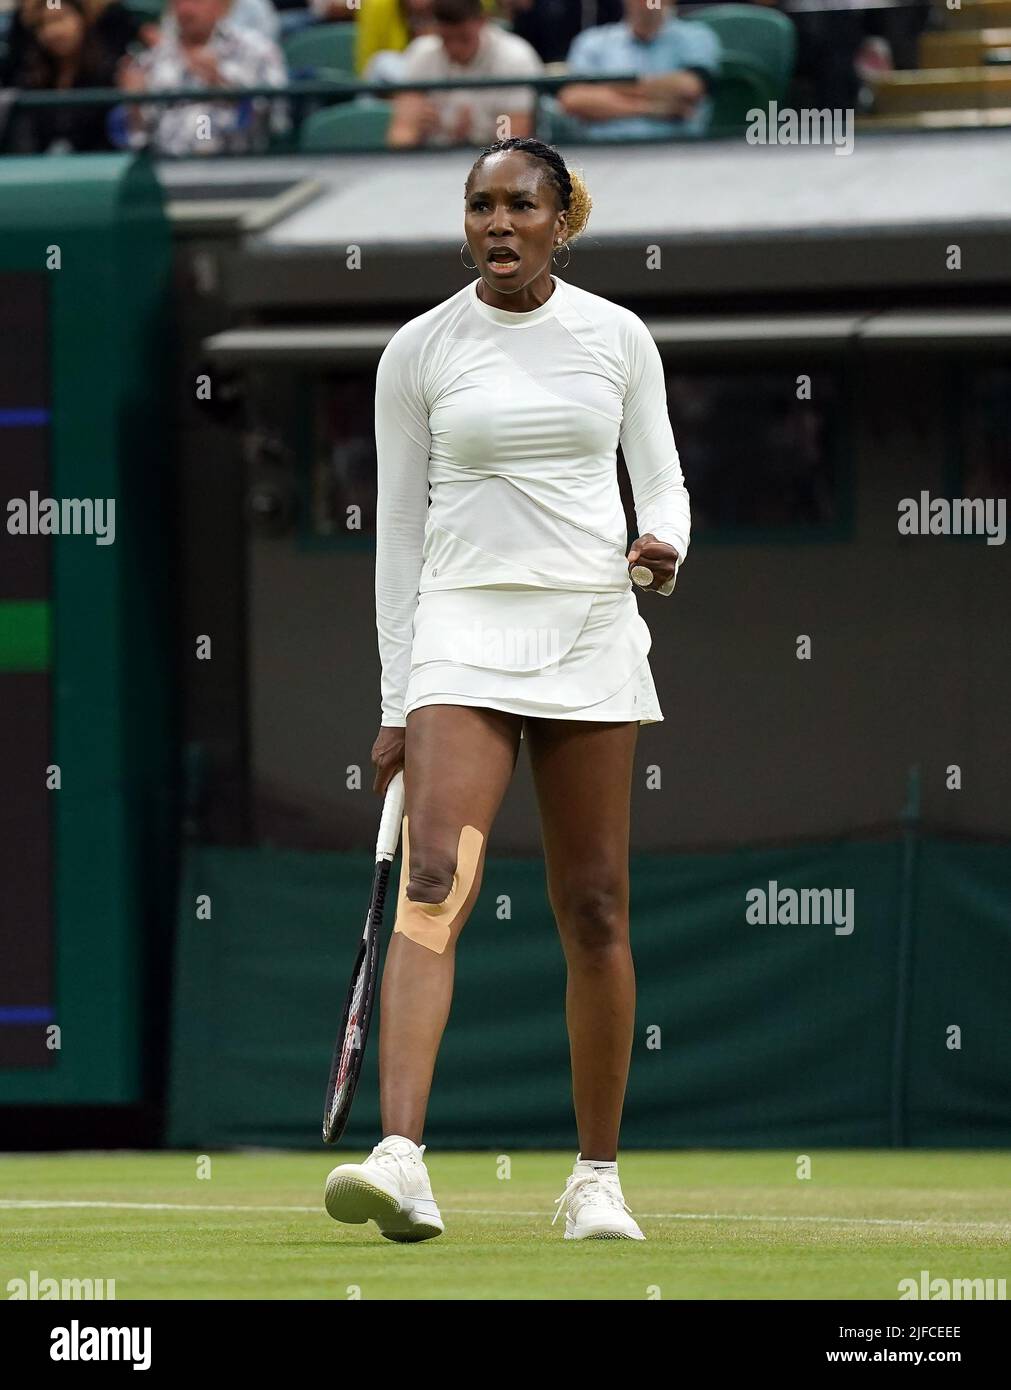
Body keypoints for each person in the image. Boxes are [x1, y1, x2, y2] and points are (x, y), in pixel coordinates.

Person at [323, 137, 690, 1243]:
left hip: (587, 629)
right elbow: (396, 536)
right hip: (459, 635)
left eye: (519, 205)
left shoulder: (618, 338)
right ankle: (401, 1159)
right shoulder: (419, 350)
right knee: (434, 876)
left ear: (561, 219)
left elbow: (662, 478)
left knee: (595, 905)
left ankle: (595, 1178)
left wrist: (664, 538)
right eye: (479, 204)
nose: (497, 223)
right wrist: (397, 698)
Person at [117, 0, 287, 155]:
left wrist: (220, 82)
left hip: (237, 165)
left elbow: (278, 117)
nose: (185, 9)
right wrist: (135, 105)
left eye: (196, 1)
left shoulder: (257, 49)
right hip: (166, 167)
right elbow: (139, 138)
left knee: (203, 125)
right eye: (178, 3)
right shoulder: (152, 58)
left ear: (221, 6)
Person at [557, 0, 722, 141]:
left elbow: (689, 88)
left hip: (680, 151)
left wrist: (606, 88)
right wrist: (654, 108)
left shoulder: (697, 36)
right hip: (605, 153)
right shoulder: (591, 42)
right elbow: (573, 100)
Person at [386, 0, 542, 148]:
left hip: (491, 168)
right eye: (446, 39)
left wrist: (470, 139)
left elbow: (510, 147)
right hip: (431, 166)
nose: (455, 48)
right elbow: (401, 135)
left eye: (463, 38)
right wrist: (414, 131)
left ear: (482, 22)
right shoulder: (421, 54)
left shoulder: (515, 59)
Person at [4, 0, 123, 153]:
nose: (53, 31)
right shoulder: (30, 78)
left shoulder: (109, 73)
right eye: (43, 24)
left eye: (60, 18)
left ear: (82, 19)